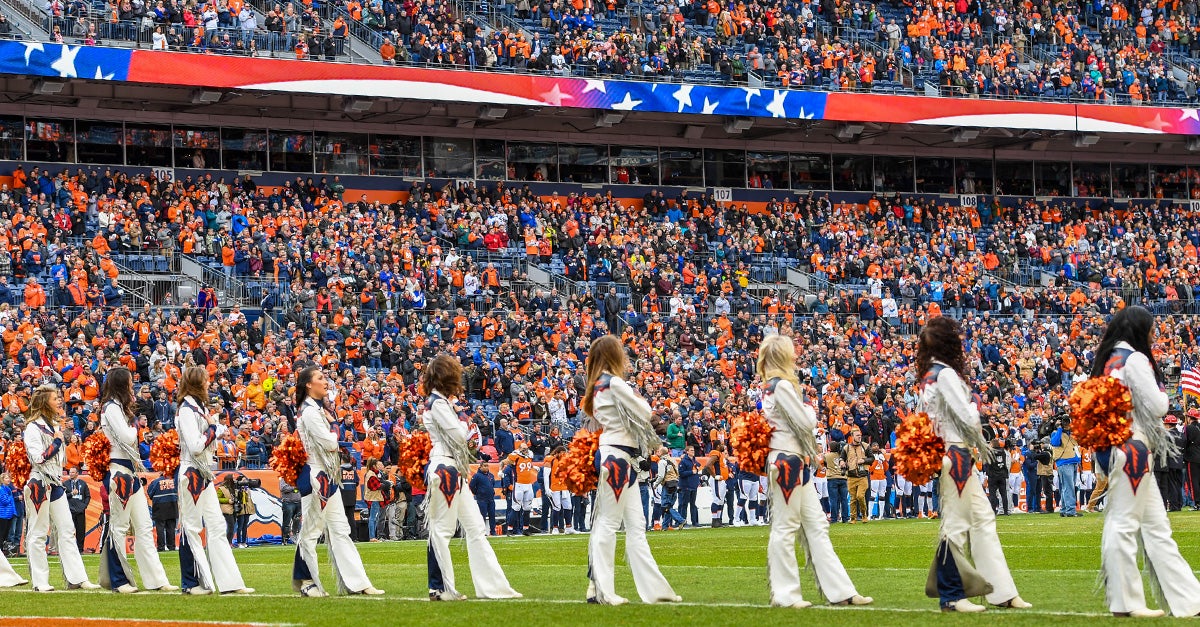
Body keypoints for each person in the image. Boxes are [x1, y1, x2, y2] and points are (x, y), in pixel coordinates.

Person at [1089, 306, 1200, 618]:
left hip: (1115, 446)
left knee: (1156, 528)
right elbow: (1158, 406)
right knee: (1124, 523)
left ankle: (1189, 600)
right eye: (1151, 330)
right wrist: (1162, 390)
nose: (1153, 335)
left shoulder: (1109, 359)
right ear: (1139, 330)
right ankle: (1125, 601)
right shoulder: (1134, 359)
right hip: (1133, 446)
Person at [916, 317, 1030, 613]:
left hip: (951, 452)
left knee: (982, 518)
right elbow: (967, 417)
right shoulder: (944, 374)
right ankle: (952, 595)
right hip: (956, 452)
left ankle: (1001, 592)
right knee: (956, 524)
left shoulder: (929, 375)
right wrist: (975, 408)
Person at [757, 334, 871, 609]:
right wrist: (809, 407)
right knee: (785, 527)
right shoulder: (782, 386)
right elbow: (806, 420)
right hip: (787, 460)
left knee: (816, 525)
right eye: (790, 352)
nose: (795, 356)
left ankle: (841, 591)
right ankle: (785, 595)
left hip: (792, 460)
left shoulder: (771, 386)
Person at [582, 334, 680, 605]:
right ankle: (602, 589)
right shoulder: (613, 383)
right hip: (618, 457)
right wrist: (636, 396)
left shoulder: (597, 385)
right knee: (610, 523)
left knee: (635, 524)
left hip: (621, 458)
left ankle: (654, 590)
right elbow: (645, 411)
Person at [422, 354, 520, 600]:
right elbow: (459, 435)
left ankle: (493, 587)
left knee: (476, 527)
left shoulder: (440, 402)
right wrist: (466, 422)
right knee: (441, 530)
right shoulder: (437, 403)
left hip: (453, 468)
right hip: (445, 467)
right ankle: (439, 587)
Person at [290, 366, 383, 597]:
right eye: (320, 378)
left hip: (328, 476)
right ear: (308, 384)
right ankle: (306, 581)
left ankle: (357, 583)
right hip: (316, 476)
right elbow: (331, 443)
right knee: (311, 531)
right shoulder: (310, 412)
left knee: (341, 529)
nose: (326, 381)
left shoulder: (316, 409)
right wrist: (334, 427)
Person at [175, 367, 254, 595]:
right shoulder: (186, 410)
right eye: (205, 380)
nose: (209, 384)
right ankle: (191, 583)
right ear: (196, 384)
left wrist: (213, 429)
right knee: (191, 527)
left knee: (218, 525)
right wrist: (213, 429)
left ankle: (230, 583)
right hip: (192, 473)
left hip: (204, 473)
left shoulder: (198, 408)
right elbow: (195, 446)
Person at [99, 367, 176, 594]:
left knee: (144, 526)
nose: (133, 386)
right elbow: (126, 436)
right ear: (122, 384)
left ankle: (156, 580)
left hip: (130, 471)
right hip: (119, 470)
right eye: (130, 382)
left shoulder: (119, 408)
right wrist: (135, 425)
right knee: (119, 527)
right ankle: (118, 580)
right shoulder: (111, 408)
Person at [23, 385, 100, 592]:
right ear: (43, 403)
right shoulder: (33, 428)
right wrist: (57, 442)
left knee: (67, 530)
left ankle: (77, 578)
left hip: (56, 484)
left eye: (58, 397)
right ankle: (40, 581)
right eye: (54, 398)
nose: (58, 401)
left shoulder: (54, 425)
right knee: (38, 533)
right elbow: (38, 458)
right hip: (39, 484)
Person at [0, 473, 27, 587]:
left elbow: (10, 502)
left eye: (9, 478)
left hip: (9, 514)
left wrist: (14, 511)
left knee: (6, 536)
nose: (9, 480)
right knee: (3, 535)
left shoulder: (8, 489)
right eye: (6, 478)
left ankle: (8, 551)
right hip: (3, 515)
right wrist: (12, 497)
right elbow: (5, 501)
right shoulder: (2, 489)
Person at [146, 473, 178, 551]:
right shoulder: (174, 481)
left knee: (160, 527)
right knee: (171, 527)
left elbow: (150, 493)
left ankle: (161, 547)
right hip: (172, 505)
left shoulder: (156, 482)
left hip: (159, 506)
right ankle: (171, 546)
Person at [64, 467, 90, 552]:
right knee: (69, 531)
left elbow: (88, 496)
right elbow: (63, 497)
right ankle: (69, 549)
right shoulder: (65, 484)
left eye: (72, 472)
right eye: (70, 472)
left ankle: (80, 549)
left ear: (77, 473)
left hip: (80, 511)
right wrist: (71, 494)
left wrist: (84, 506)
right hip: (70, 511)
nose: (70, 474)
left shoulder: (83, 483)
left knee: (80, 531)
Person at [469, 462, 498, 535]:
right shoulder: (477, 476)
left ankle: (493, 531)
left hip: (491, 499)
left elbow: (492, 484)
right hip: (482, 499)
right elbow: (472, 486)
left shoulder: (491, 475)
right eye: (484, 466)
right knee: (482, 515)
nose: (486, 467)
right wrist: (477, 492)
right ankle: (482, 531)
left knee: (492, 515)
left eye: (487, 466)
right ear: (480, 467)